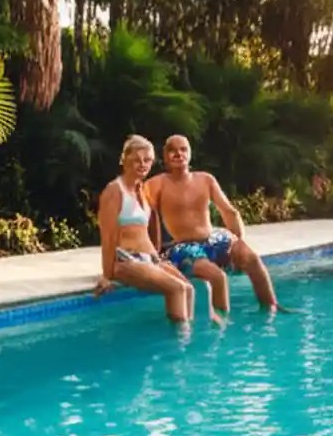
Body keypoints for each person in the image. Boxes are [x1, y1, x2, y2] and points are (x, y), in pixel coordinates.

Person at [145, 134, 281, 314]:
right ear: (164, 156)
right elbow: (143, 218)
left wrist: (238, 243)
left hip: (213, 238)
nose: (178, 154)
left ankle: (271, 307)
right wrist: (150, 253)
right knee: (218, 277)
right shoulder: (156, 184)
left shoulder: (205, 179)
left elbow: (229, 211)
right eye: (172, 150)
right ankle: (221, 323)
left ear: (190, 153)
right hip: (183, 246)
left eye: (183, 149)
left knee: (252, 259)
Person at [94, 135, 195, 323]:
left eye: (147, 160)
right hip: (125, 259)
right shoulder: (114, 191)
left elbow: (146, 229)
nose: (143, 164)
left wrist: (156, 256)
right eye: (137, 160)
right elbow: (108, 237)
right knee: (177, 289)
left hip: (148, 259)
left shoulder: (142, 190)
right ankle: (180, 339)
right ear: (124, 160)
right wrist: (107, 275)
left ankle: (184, 332)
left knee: (188, 289)